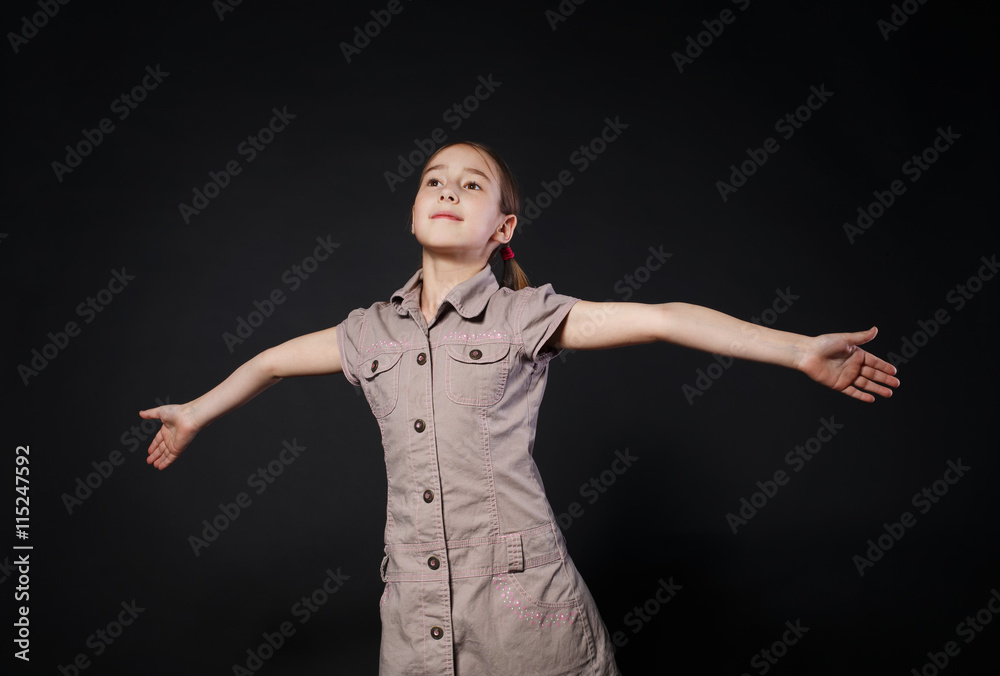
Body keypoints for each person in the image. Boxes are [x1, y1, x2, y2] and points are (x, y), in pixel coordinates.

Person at [140, 141, 899, 675]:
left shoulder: (525, 317)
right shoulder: (367, 331)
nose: (448, 190)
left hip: (522, 601)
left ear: (502, 229)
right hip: (413, 603)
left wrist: (797, 348)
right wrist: (196, 413)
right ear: (412, 212)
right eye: (435, 180)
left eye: (472, 185)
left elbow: (667, 316)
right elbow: (272, 361)